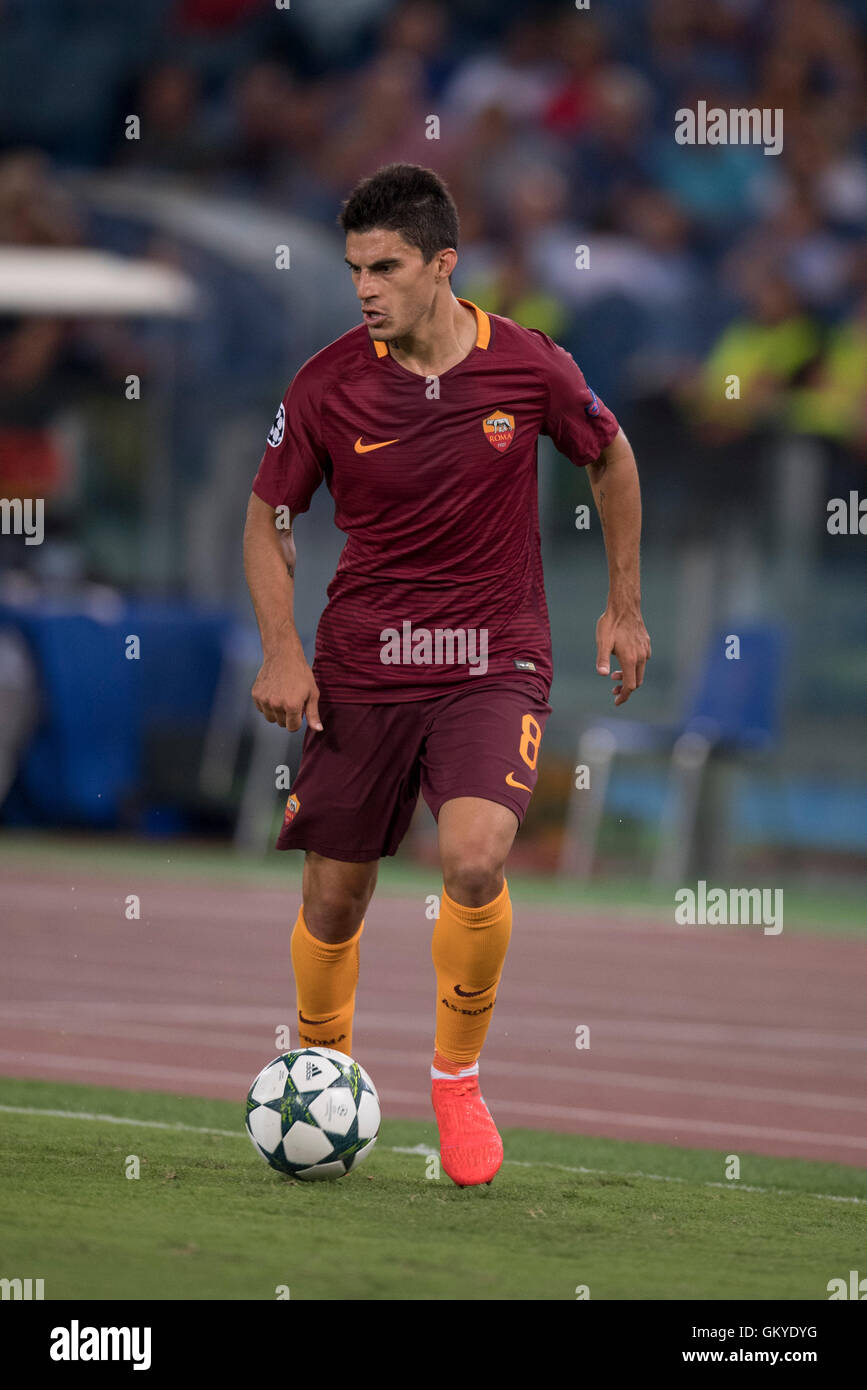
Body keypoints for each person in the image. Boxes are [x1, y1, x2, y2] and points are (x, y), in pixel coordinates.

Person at [243, 164, 650, 1188]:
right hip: (363, 663)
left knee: (474, 859)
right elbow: (267, 515)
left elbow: (609, 455)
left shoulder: (528, 366)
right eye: (354, 270)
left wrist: (625, 603)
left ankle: (456, 1079)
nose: (366, 289)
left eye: (385, 268)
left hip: (491, 657)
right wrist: (283, 648)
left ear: (441, 265)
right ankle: (321, 1061)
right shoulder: (326, 383)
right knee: (335, 895)